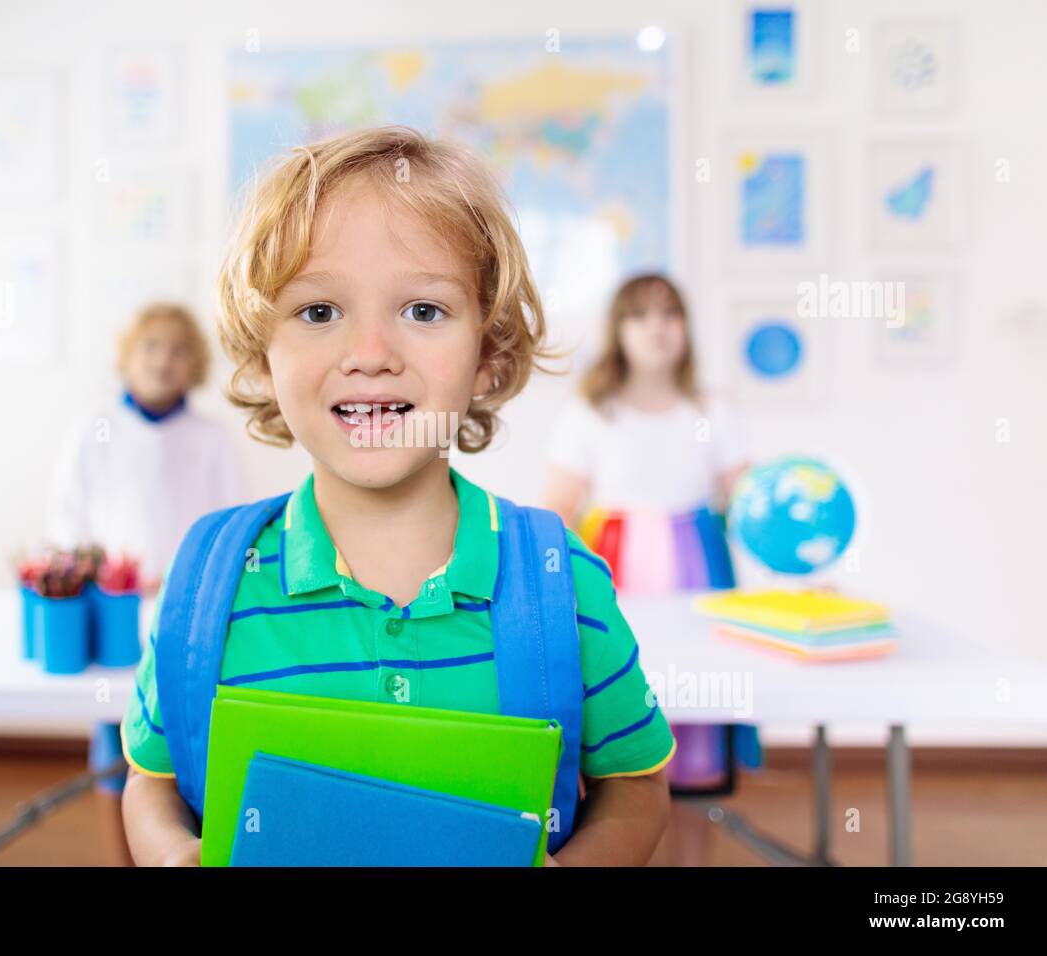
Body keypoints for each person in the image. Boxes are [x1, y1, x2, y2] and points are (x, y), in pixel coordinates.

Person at [119, 126, 676, 866]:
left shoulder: (560, 578)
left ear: (489, 357)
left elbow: (636, 786)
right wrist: (168, 857)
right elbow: (151, 784)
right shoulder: (207, 583)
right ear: (262, 357)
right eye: (319, 312)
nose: (372, 355)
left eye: (423, 311)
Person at [543, 273, 757, 861]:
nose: (657, 328)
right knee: (627, 687)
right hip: (616, 569)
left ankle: (690, 838)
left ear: (686, 327)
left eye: (670, 314)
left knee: (697, 697)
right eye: (640, 315)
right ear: (619, 330)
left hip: (699, 564)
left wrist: (801, 575)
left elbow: (747, 505)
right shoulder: (592, 411)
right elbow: (556, 512)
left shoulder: (713, 408)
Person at [48, 301, 245, 866]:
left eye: (179, 349)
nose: (164, 360)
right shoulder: (95, 431)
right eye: (151, 347)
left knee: (181, 738)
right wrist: (103, 573)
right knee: (116, 737)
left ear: (196, 364)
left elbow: (235, 524)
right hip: (114, 610)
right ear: (127, 356)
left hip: (189, 610)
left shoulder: (212, 438)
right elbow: (68, 520)